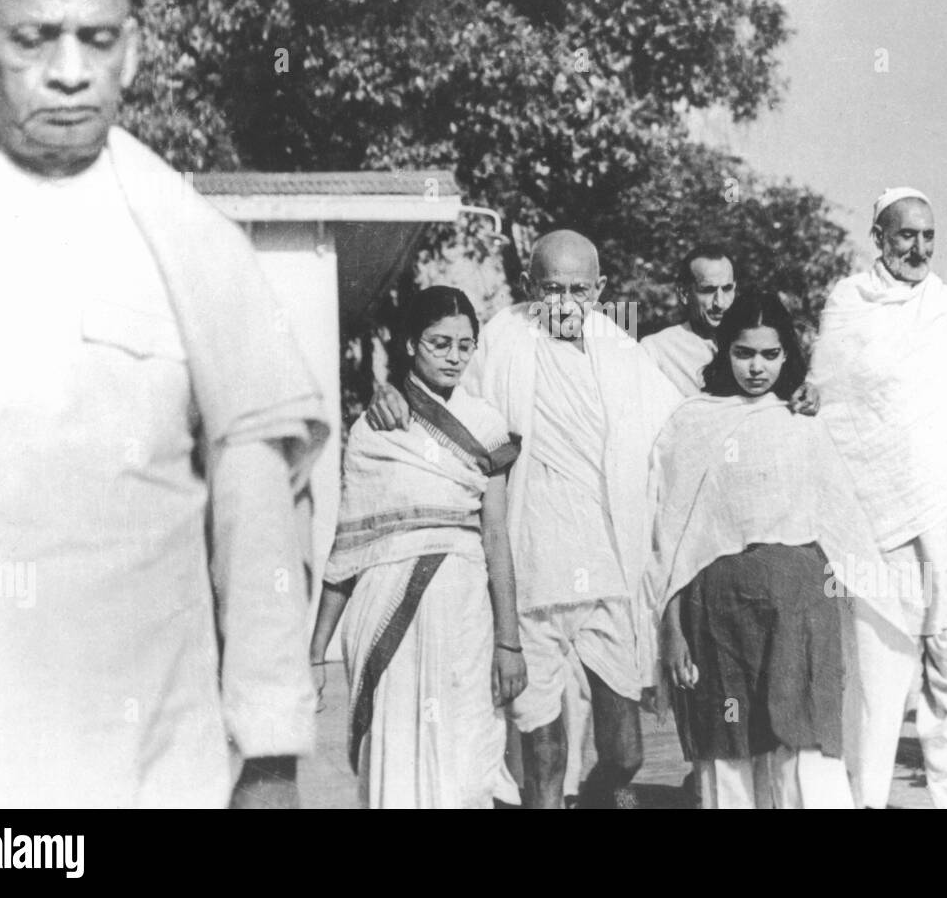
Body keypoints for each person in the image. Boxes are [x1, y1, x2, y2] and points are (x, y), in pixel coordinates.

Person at [0, 0, 329, 808]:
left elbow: (260, 526)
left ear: (133, 50)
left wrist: (269, 762)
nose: (70, 71)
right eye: (33, 39)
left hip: (150, 752)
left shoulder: (198, 253)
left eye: (98, 39)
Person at [366, 231, 682, 807]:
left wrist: (791, 396)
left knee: (626, 753)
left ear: (601, 290)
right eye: (552, 289)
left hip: (607, 576)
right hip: (531, 577)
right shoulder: (500, 341)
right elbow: (441, 393)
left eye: (579, 289)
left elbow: (681, 431)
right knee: (543, 756)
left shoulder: (624, 354)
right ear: (530, 287)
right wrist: (389, 393)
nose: (564, 302)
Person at [808, 187, 947, 809]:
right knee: (875, 682)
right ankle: (863, 801)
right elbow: (832, 401)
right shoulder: (847, 302)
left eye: (928, 236)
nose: (918, 248)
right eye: (905, 235)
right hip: (875, 523)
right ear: (879, 238)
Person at [310, 287, 526, 808]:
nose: (454, 356)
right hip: (387, 614)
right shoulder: (374, 430)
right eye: (439, 343)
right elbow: (349, 549)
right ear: (411, 343)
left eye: (464, 345)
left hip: (464, 612)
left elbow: (496, 537)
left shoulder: (486, 425)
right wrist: (315, 652)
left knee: (468, 753)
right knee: (398, 753)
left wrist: (509, 641)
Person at [646, 292, 854, 809]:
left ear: (788, 355)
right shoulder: (691, 424)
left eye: (770, 353)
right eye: (743, 353)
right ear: (723, 350)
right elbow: (668, 540)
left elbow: (840, 520)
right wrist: (670, 631)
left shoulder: (802, 418)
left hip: (800, 611)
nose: (756, 367)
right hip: (716, 613)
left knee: (804, 750)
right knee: (727, 750)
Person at [640, 243, 738, 396]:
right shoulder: (657, 349)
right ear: (684, 293)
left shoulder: (751, 343)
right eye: (708, 290)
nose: (720, 303)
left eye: (727, 289)